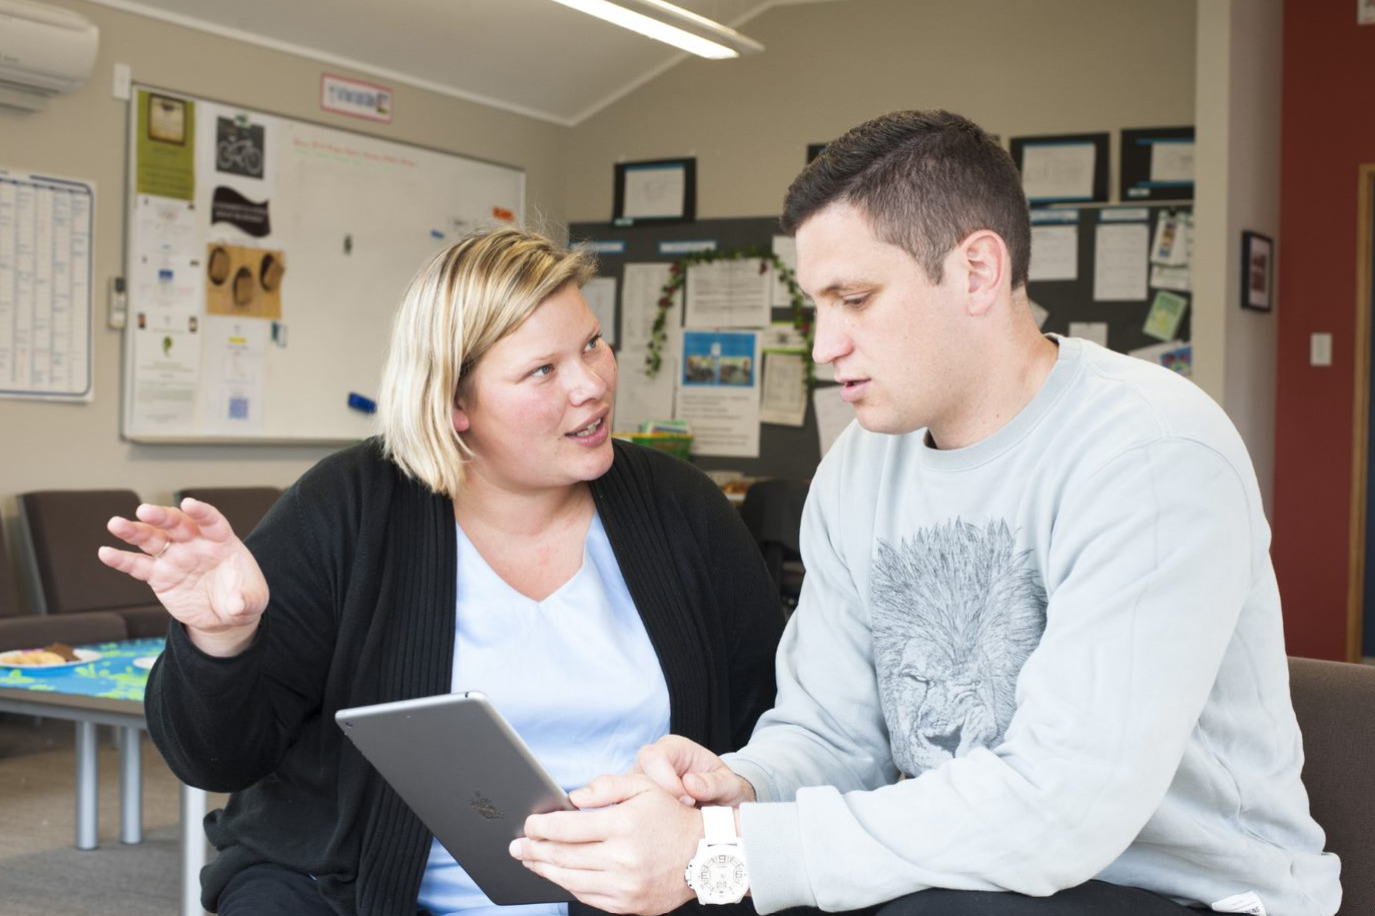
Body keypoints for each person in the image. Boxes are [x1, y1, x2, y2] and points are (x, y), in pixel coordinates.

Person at [510, 110, 1343, 916]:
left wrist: (720, 850)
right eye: (816, 304)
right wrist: (742, 785)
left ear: (977, 271)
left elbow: (1062, 809)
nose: (823, 342)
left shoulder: (1151, 453)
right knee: (626, 900)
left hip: (1179, 889)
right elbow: (835, 736)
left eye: (855, 298)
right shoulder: (859, 467)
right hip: (971, 871)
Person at [97, 226, 784, 916]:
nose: (591, 384)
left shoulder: (681, 508)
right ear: (456, 404)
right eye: (542, 370)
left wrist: (705, 842)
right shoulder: (349, 506)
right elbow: (217, 761)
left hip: (634, 898)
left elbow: (774, 734)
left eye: (592, 344)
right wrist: (222, 640)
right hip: (350, 889)